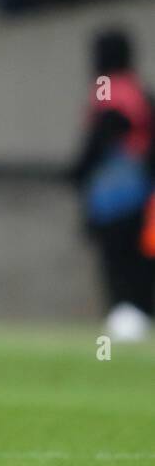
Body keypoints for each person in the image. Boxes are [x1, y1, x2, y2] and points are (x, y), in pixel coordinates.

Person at [71, 27, 155, 339]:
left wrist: (77, 172)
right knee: (141, 261)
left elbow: (103, 133)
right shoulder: (139, 90)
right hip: (143, 193)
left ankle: (124, 318)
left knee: (117, 260)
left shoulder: (110, 89)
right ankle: (138, 317)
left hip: (117, 193)